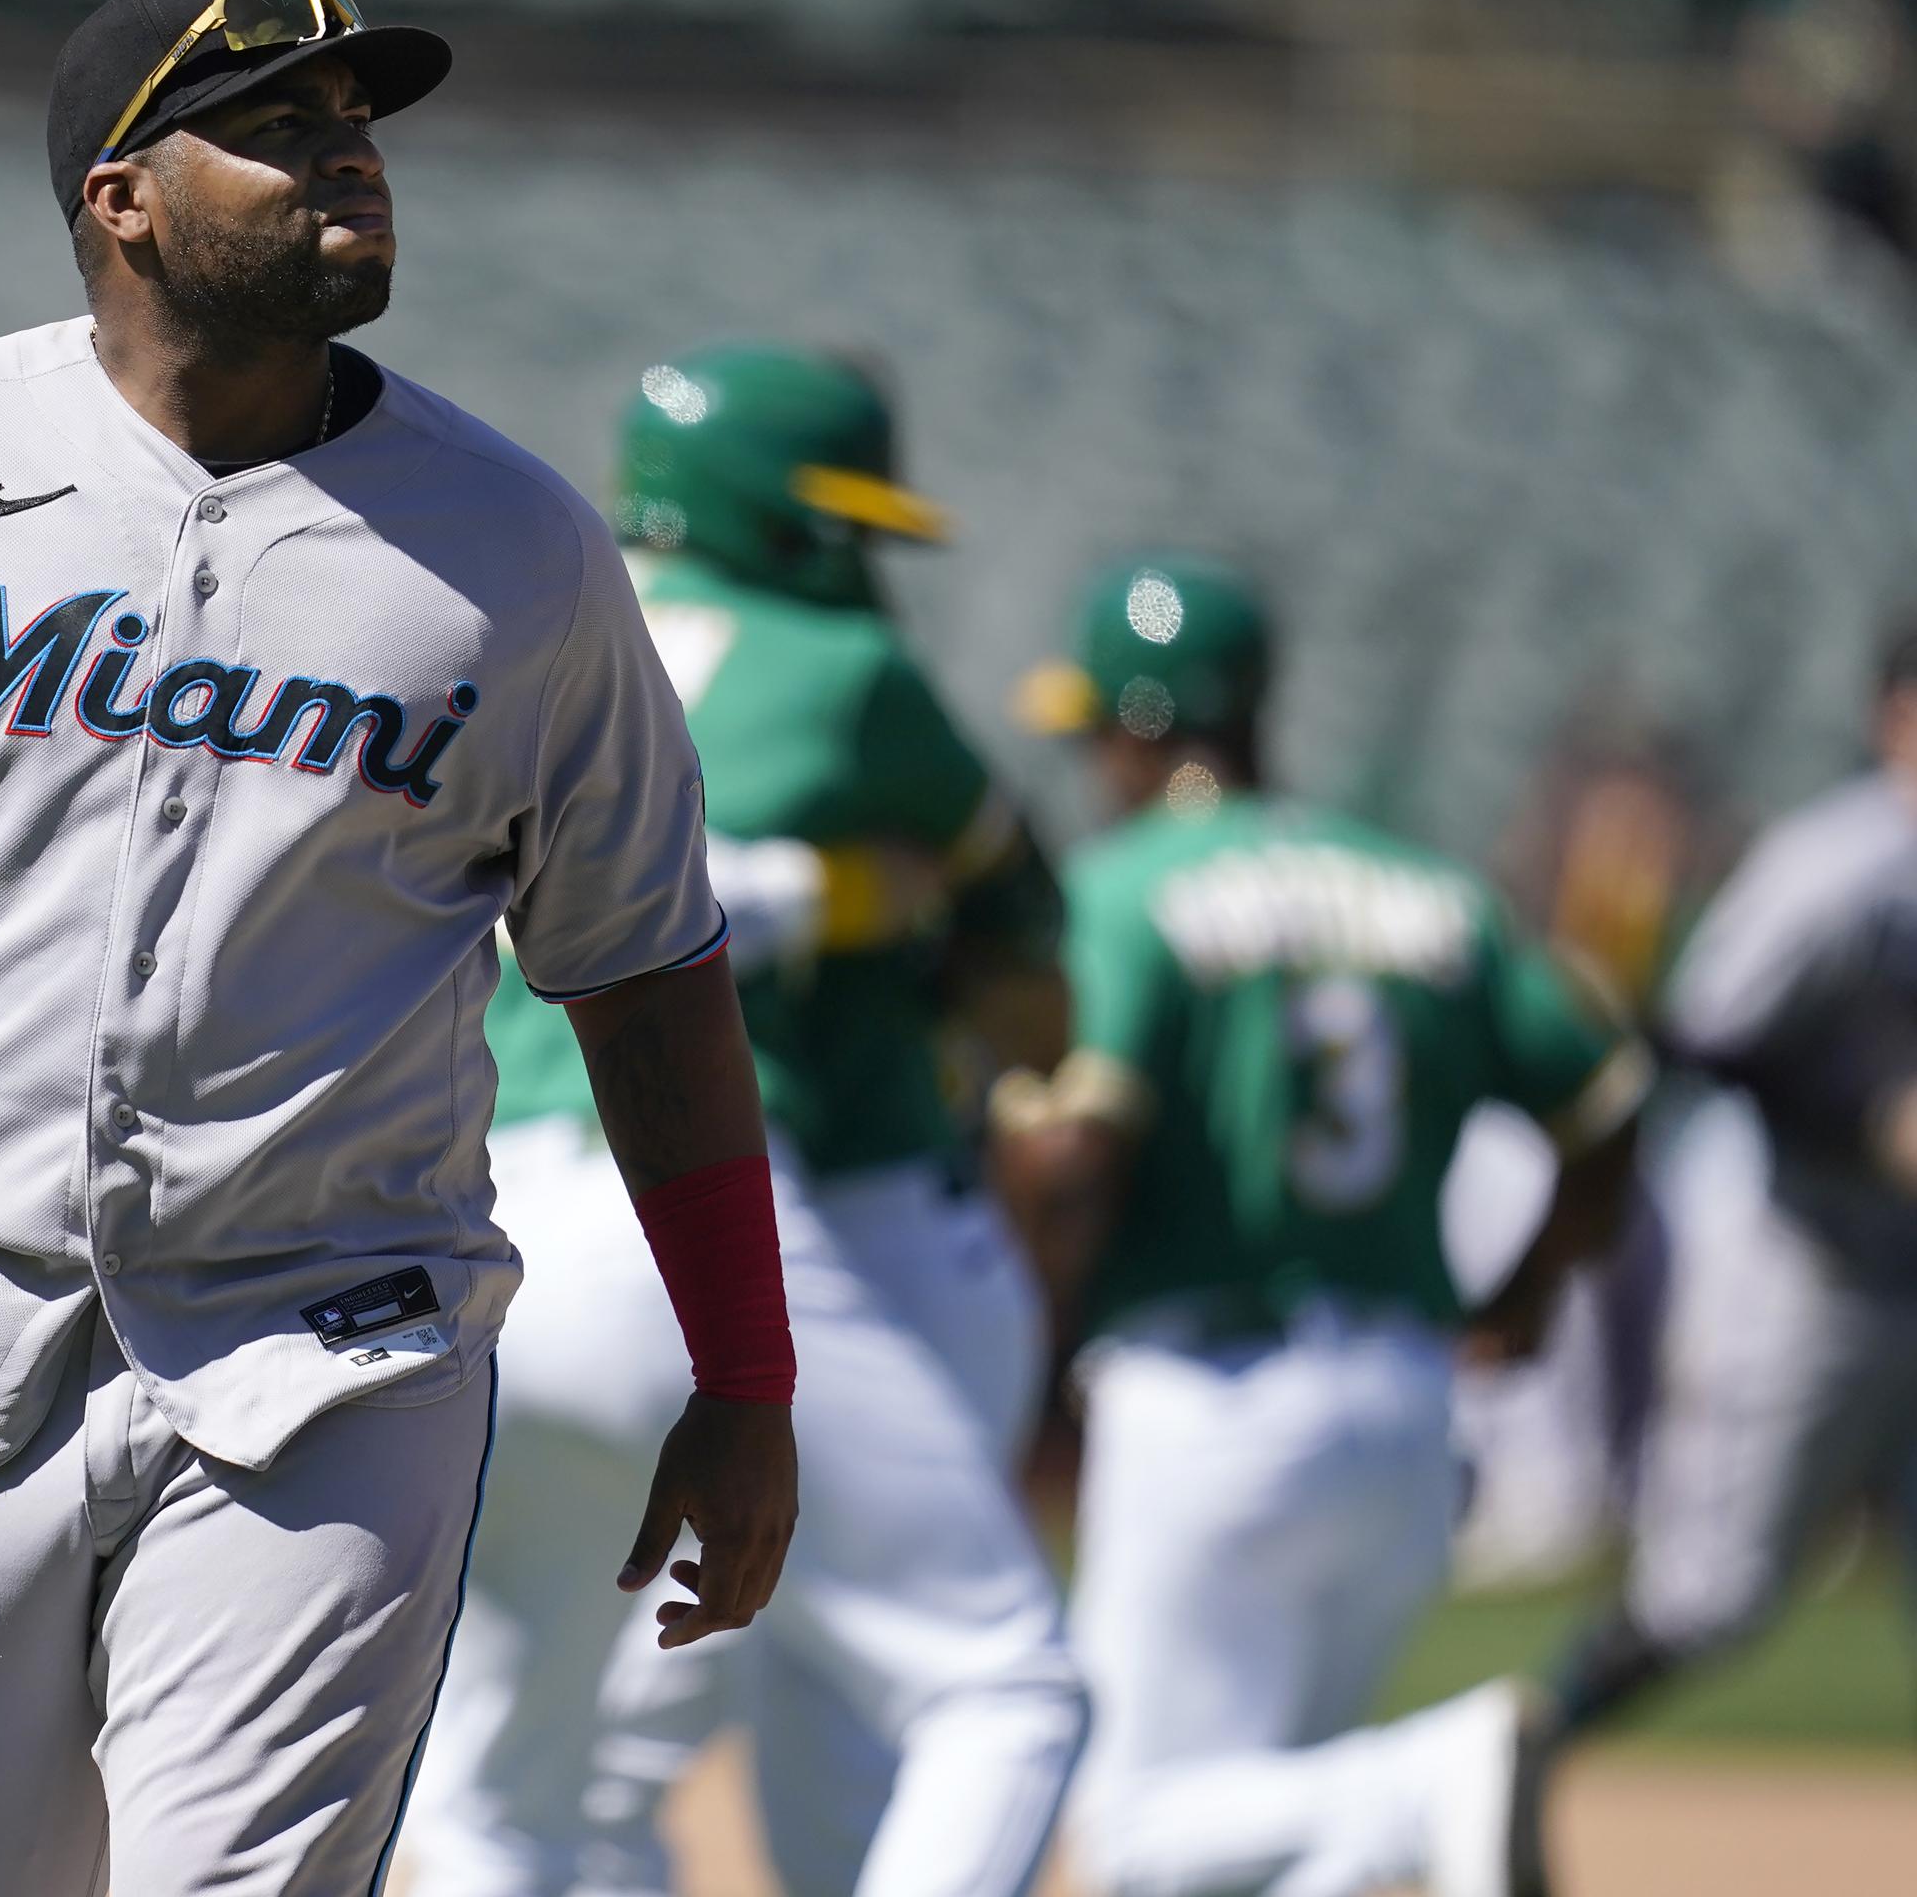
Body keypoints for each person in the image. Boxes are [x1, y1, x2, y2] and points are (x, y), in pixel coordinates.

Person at [0, 0, 799, 1897]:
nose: (346, 161)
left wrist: (748, 1374)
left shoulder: (520, 553)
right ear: (119, 196)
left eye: (357, 122)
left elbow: (648, 979)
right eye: (279, 127)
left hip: (337, 1351)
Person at [412, 347, 1085, 1897]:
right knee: (1001, 1686)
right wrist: (852, 896)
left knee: (523, 1795)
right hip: (707, 1230)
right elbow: (1025, 939)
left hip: (477, 1235)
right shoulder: (843, 667)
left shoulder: (514, 639)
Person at [991, 555, 1652, 1897]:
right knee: (1279, 1824)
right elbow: (1609, 1103)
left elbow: (1073, 1161)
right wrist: (1522, 1292)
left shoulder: (1125, 889)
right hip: (1406, 1406)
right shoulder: (1428, 890)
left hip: (1210, 1392)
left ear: (1139, 726)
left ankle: (1433, 1782)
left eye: (1096, 737)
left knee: (1141, 1838)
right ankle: (1413, 1798)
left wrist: (1035, 1357)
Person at [1541, 618, 1917, 1743]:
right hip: (1818, 1275)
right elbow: (1702, 1030)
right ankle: (1511, 1749)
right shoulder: (1840, 860)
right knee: (1710, 1597)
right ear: (1894, 714)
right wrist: (1864, 1114)